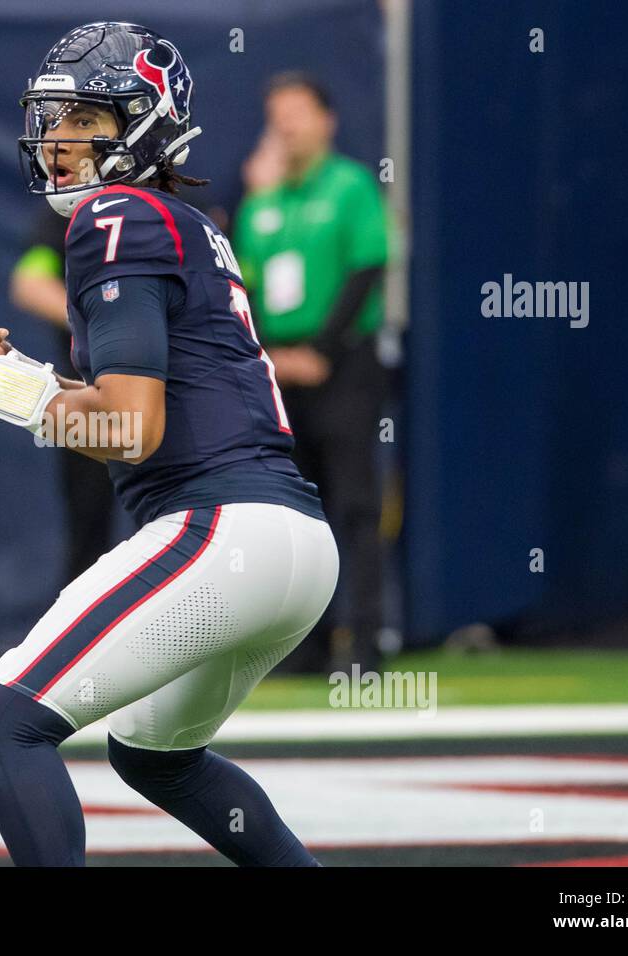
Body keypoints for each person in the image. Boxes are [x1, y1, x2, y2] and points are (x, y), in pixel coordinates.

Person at [0, 22, 338, 866]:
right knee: (157, 756)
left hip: (219, 529)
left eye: (85, 120)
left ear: (145, 122)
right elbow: (136, 409)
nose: (58, 142)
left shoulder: (116, 213)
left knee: (3, 723)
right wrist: (15, 370)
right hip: (296, 544)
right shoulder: (184, 221)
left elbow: (131, 426)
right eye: (53, 119)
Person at [234, 72, 389, 674]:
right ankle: (308, 646)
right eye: (278, 115)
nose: (288, 126)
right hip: (280, 365)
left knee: (354, 501)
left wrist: (320, 350)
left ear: (327, 120)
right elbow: (241, 283)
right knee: (296, 512)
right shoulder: (265, 198)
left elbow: (368, 267)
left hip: (343, 360)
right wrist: (275, 350)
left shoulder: (350, 186)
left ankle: (369, 643)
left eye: (298, 113)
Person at [10, 208, 118, 580]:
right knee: (86, 532)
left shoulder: (184, 205)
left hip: (171, 394)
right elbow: (29, 281)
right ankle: (91, 633)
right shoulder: (67, 213)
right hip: (87, 396)